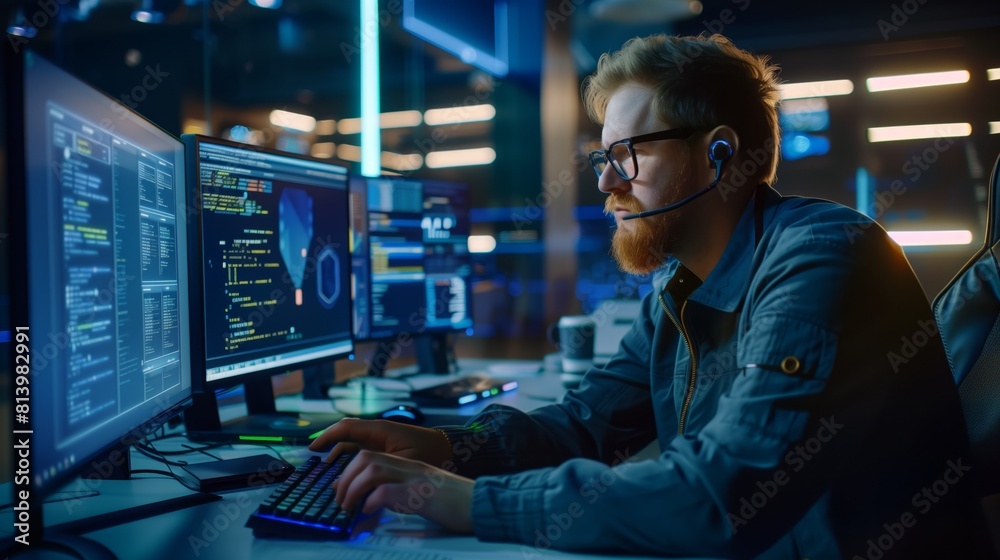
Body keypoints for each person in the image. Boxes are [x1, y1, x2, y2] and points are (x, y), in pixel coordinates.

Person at [311, 34, 986, 558]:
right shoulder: (679, 287)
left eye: (628, 154)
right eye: (601, 158)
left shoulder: (822, 257)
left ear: (720, 155)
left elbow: (724, 497)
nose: (607, 183)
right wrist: (445, 449)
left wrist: (473, 502)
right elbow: (579, 426)